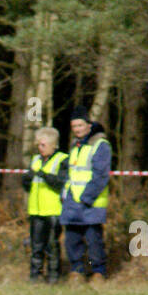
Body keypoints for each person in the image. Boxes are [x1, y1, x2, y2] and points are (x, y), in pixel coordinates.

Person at [61, 106, 112, 285]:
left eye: (80, 125)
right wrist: (65, 195)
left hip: (91, 203)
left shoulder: (100, 145)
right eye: (74, 126)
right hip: (72, 202)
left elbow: (101, 175)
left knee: (93, 241)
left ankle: (98, 272)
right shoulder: (75, 146)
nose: (77, 129)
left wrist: (86, 198)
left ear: (89, 125)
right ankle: (77, 271)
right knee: (72, 241)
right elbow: (71, 173)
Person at [20, 126, 68, 283]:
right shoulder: (35, 160)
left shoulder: (62, 159)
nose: (40, 148)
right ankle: (36, 275)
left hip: (53, 210)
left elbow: (61, 182)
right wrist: (26, 180)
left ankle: (54, 276)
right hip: (36, 210)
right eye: (38, 145)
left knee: (52, 246)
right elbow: (28, 186)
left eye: (43, 145)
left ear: (53, 145)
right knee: (36, 246)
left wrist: (44, 175)